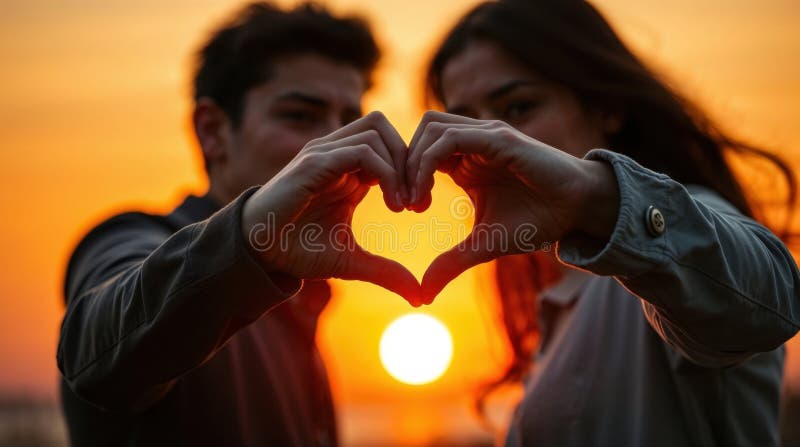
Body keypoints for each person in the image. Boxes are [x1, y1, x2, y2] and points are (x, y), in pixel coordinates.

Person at [411, 0, 800, 445]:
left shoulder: (674, 242)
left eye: (519, 107)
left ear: (607, 107)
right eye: (468, 122)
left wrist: (593, 195)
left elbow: (772, 301)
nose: (490, 143)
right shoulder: (561, 300)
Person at [57, 2, 418, 445]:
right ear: (213, 130)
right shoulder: (135, 241)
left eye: (348, 121)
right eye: (299, 115)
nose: (336, 144)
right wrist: (251, 237)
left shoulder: (295, 294)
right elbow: (94, 352)